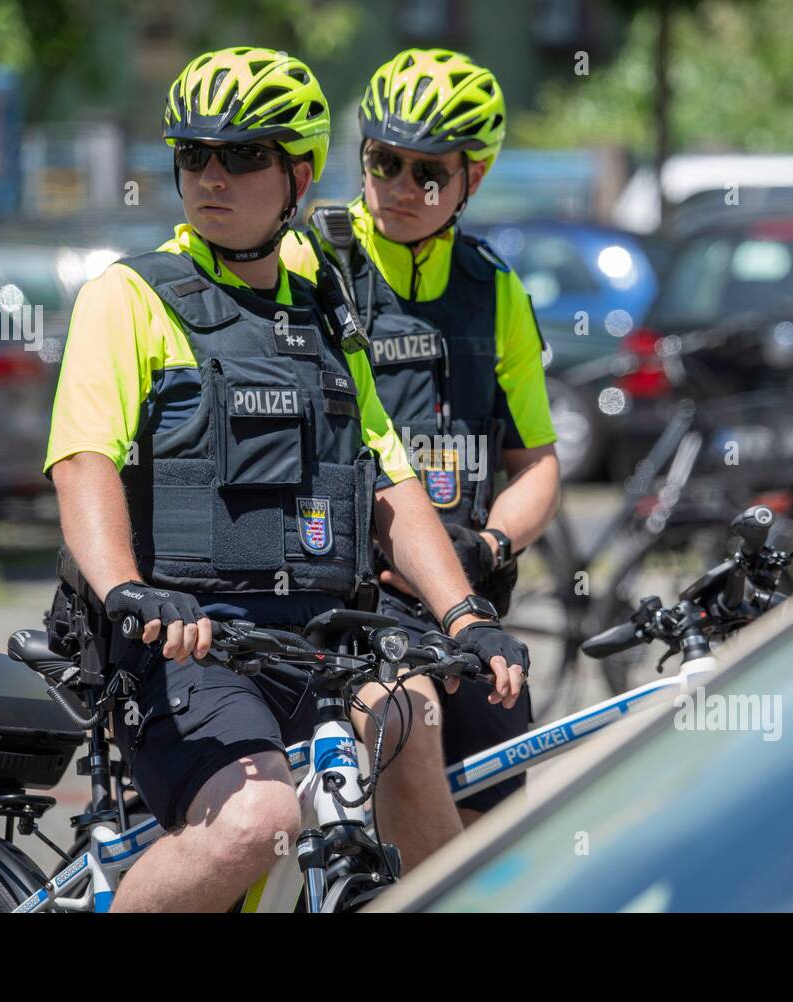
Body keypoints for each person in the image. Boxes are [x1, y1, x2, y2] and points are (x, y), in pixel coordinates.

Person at [43, 47, 528, 912]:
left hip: (316, 637)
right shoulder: (127, 297)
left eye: (242, 155)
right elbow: (83, 462)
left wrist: (466, 615)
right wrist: (126, 589)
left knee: (411, 720)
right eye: (192, 154)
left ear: (299, 172)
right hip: (185, 645)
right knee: (259, 818)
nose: (210, 176)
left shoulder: (324, 310)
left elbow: (388, 479)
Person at [281, 48, 560, 864]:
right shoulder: (310, 264)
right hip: (350, 598)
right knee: (415, 731)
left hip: (462, 602)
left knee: (498, 806)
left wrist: (492, 544)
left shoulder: (496, 290)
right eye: (382, 161)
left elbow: (536, 461)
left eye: (427, 173)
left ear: (473, 177)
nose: (400, 187)